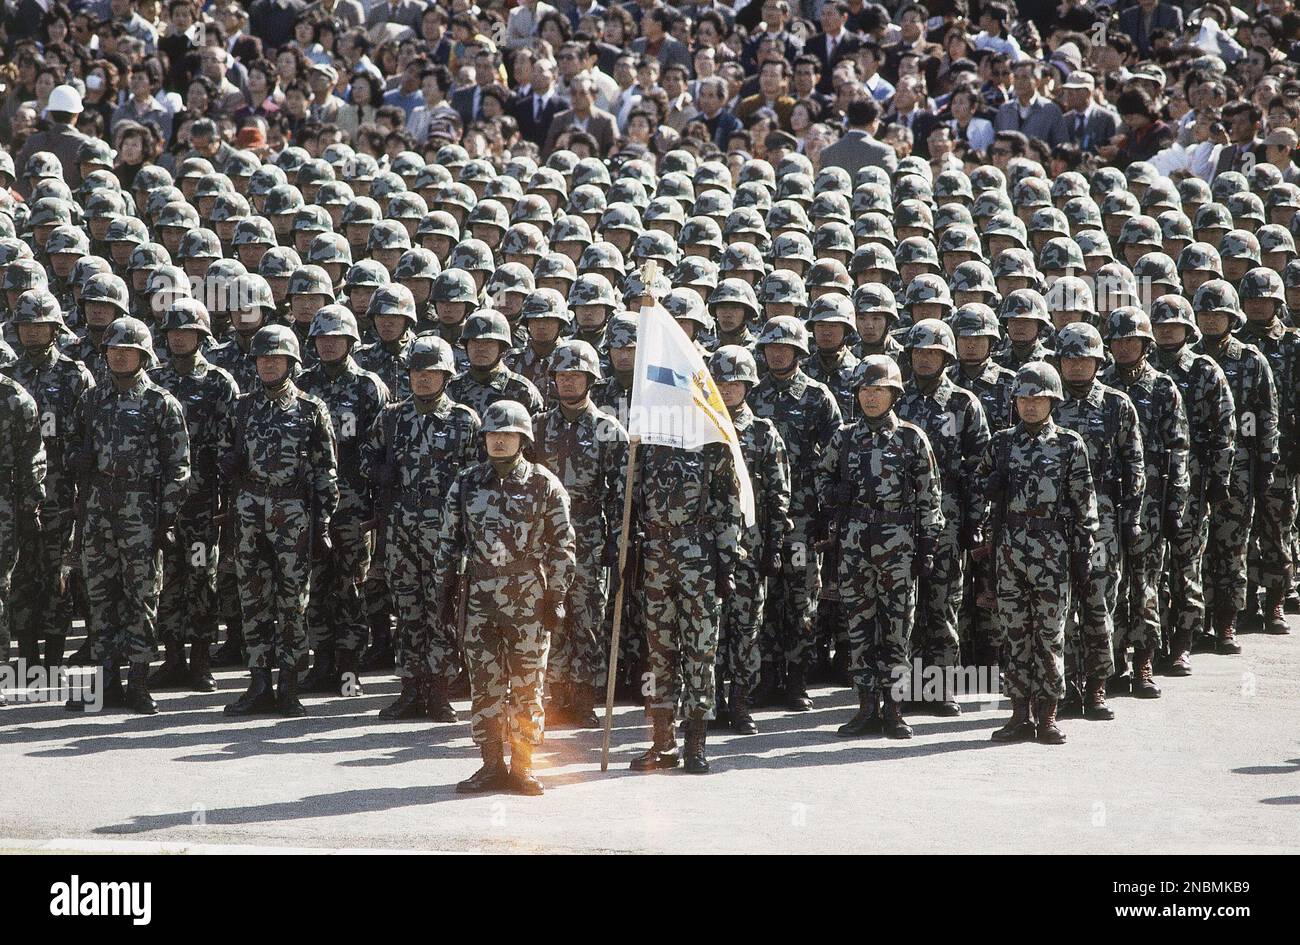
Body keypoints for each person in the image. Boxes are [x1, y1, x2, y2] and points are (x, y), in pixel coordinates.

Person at [438, 400, 575, 795]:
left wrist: (557, 596)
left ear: (522, 439)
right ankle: (490, 764)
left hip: (528, 598)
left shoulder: (543, 484)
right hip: (479, 596)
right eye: (493, 434)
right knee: (485, 684)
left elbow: (562, 545)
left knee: (528, 684)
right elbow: (449, 540)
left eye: (508, 434)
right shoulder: (466, 482)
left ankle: (523, 766)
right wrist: (445, 590)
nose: (499, 441)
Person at [65, 317, 190, 714]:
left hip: (142, 507)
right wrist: (77, 461)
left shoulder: (161, 403)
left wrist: (165, 518)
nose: (119, 355)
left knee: (141, 596)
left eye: (127, 349)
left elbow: (179, 466)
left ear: (143, 355)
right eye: (113, 349)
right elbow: (72, 448)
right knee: (100, 595)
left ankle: (137, 682)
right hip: (100, 506)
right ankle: (104, 682)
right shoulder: (91, 399)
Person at [973, 361, 1098, 745]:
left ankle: (1048, 715)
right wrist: (988, 487)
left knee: (1049, 634)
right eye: (1024, 398)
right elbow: (978, 489)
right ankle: (1018, 714)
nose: (1030, 405)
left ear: (1052, 402)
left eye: (1039, 398)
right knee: (1014, 634)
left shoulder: (1069, 444)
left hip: (1052, 550)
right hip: (1010, 548)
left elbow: (1084, 502)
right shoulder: (1002, 442)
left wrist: (1082, 550)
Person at [219, 324, 338, 718]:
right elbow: (224, 454)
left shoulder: (310, 409)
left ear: (292, 362)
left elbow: (326, 471)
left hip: (293, 514)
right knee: (252, 599)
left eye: (276, 357)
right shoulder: (241, 406)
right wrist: (228, 466)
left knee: (293, 601)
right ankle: (257, 683)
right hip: (250, 511)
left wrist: (322, 523)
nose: (268, 363)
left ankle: (288, 685)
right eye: (262, 358)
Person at [361, 334, 479, 721]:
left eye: (431, 373)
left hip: (446, 533)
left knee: (441, 611)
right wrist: (380, 471)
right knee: (408, 612)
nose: (423, 379)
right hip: (400, 530)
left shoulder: (464, 421)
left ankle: (441, 692)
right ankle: (410, 689)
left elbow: (481, 478)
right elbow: (367, 458)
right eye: (416, 372)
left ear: (446, 376)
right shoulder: (391, 417)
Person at [1052, 322, 1146, 719]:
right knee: (1059, 608)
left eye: (1084, 359)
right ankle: (1066, 687)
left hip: (1102, 517)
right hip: (1053, 519)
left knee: (1099, 605)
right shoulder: (1043, 400)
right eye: (1069, 358)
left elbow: (1135, 462)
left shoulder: (1117, 404)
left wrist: (1132, 516)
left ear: (1097, 361)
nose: (1076, 366)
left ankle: (1097, 687)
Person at [296, 306, 390, 696]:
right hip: (314, 500)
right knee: (317, 582)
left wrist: (374, 502)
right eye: (321, 338)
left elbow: (382, 443)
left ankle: (350, 669)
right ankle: (322, 662)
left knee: (352, 584)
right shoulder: (302, 383)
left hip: (354, 503)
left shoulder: (369, 386)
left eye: (336, 337)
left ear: (351, 341)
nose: (328, 344)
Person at [147, 299, 238, 693]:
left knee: (202, 577)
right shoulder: (153, 380)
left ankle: (200, 661)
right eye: (172, 332)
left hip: (204, 505)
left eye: (187, 332)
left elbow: (232, 445)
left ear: (201, 335)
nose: (179, 338)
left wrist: (225, 502)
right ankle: (172, 658)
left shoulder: (219, 382)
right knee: (167, 578)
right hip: (163, 501)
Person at [3, 290, 94, 671]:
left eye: (40, 326)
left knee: (56, 573)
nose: (33, 333)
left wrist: (81, 494)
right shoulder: (9, 377)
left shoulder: (75, 375)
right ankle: (26, 659)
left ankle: (54, 659)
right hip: (16, 490)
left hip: (60, 489)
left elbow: (89, 437)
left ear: (55, 329)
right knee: (20, 575)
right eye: (26, 326)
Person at [709, 345, 789, 734]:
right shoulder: (699, 430)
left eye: (734, 383)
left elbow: (778, 495)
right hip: (705, 547)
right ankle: (710, 704)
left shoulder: (762, 432)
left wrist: (774, 547)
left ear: (747, 386)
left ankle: (740, 702)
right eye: (720, 382)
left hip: (750, 547)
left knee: (746, 628)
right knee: (708, 627)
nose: (726, 390)